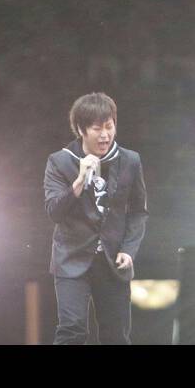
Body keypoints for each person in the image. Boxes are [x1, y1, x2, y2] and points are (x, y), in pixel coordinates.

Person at [43, 92, 148, 344]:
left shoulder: (130, 160)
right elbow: (54, 211)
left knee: (116, 335)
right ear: (81, 129)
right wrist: (78, 183)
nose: (105, 135)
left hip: (113, 261)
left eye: (109, 126)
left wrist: (129, 249)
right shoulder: (60, 161)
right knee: (73, 330)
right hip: (72, 259)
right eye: (97, 128)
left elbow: (138, 211)